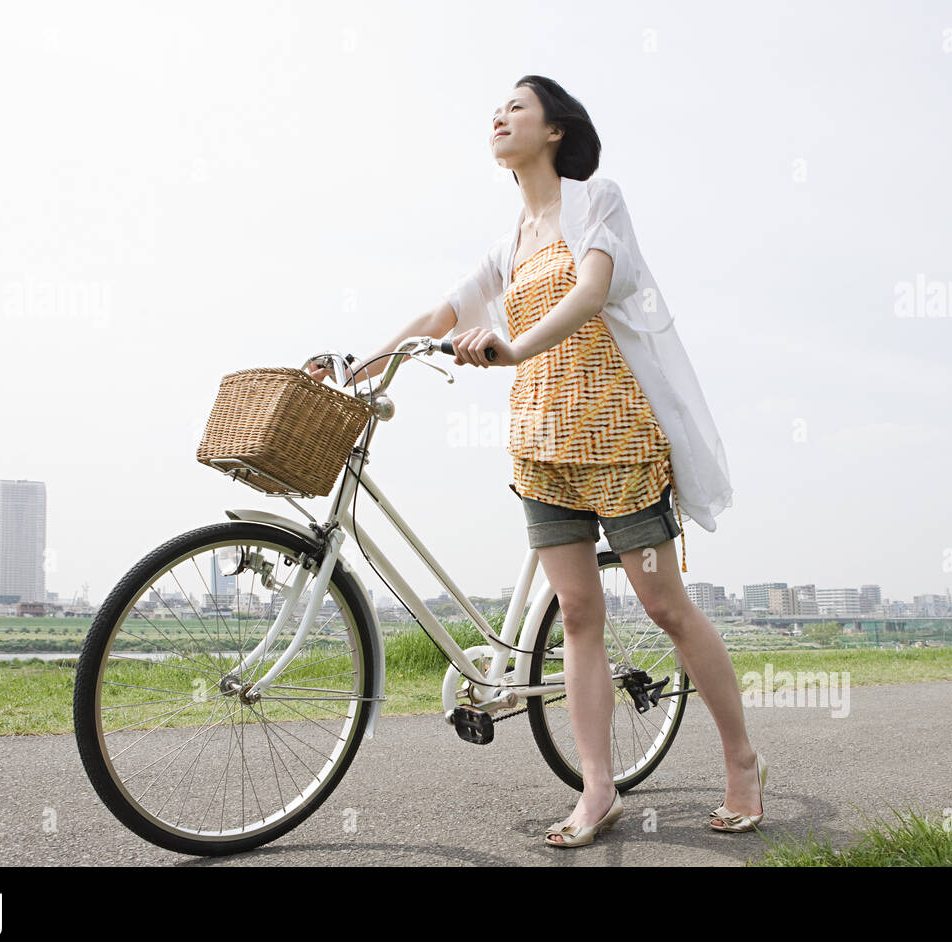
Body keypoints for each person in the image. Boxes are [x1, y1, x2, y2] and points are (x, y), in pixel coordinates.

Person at [308, 75, 765, 847]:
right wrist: (359, 364)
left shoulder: (596, 202)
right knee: (580, 618)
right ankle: (597, 789)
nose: (499, 115)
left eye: (516, 106)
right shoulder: (510, 243)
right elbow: (440, 314)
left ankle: (743, 761)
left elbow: (591, 292)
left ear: (555, 130)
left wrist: (511, 344)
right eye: (497, 108)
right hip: (542, 445)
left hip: (618, 435)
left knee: (663, 607)